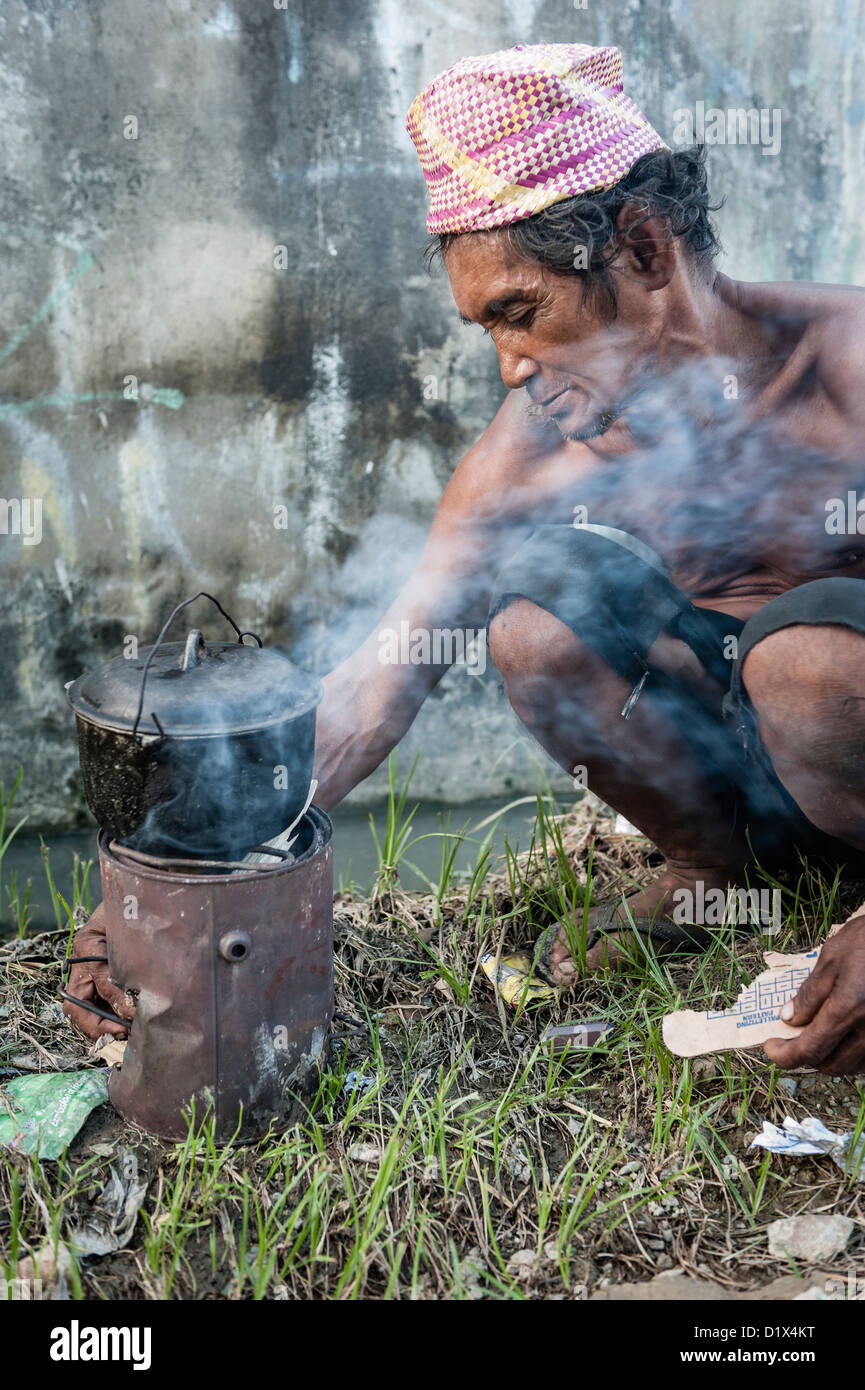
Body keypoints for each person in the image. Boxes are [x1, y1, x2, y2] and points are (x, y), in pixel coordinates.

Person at [65, 42, 865, 1074]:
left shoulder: (844, 367)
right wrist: (157, 893)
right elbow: (369, 693)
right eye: (486, 328)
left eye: (520, 313)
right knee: (531, 628)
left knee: (801, 667)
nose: (509, 366)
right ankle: (716, 868)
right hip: (753, 762)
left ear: (643, 249)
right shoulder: (536, 446)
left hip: (837, 721)